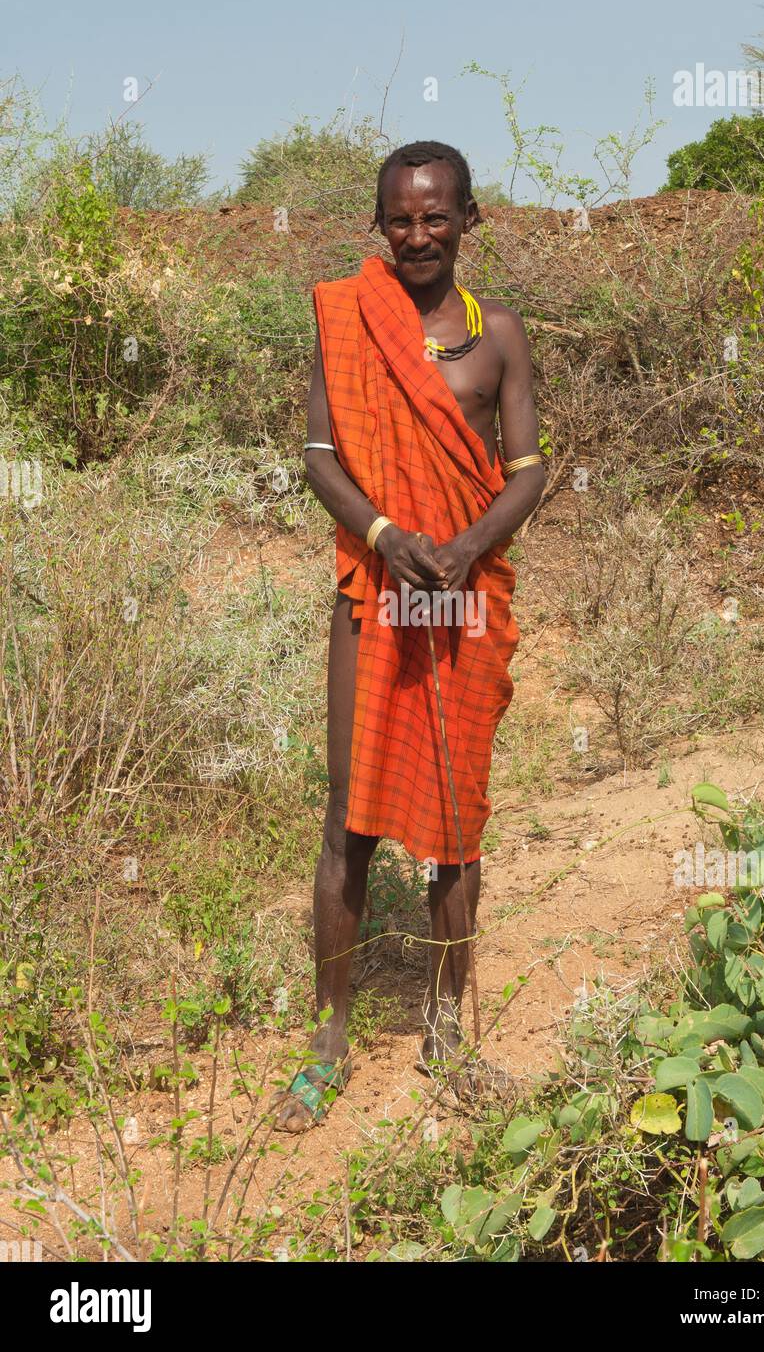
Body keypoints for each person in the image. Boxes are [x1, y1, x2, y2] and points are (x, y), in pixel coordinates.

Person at [274, 140, 544, 1132]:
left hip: (460, 591)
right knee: (350, 812)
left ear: (470, 219)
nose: (418, 234)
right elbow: (317, 456)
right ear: (379, 223)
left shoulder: (498, 337)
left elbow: (527, 469)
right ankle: (329, 1041)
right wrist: (389, 538)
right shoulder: (348, 319)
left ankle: (444, 1031)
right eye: (400, 217)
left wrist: (467, 548)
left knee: (454, 812)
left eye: (437, 216)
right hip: (380, 587)